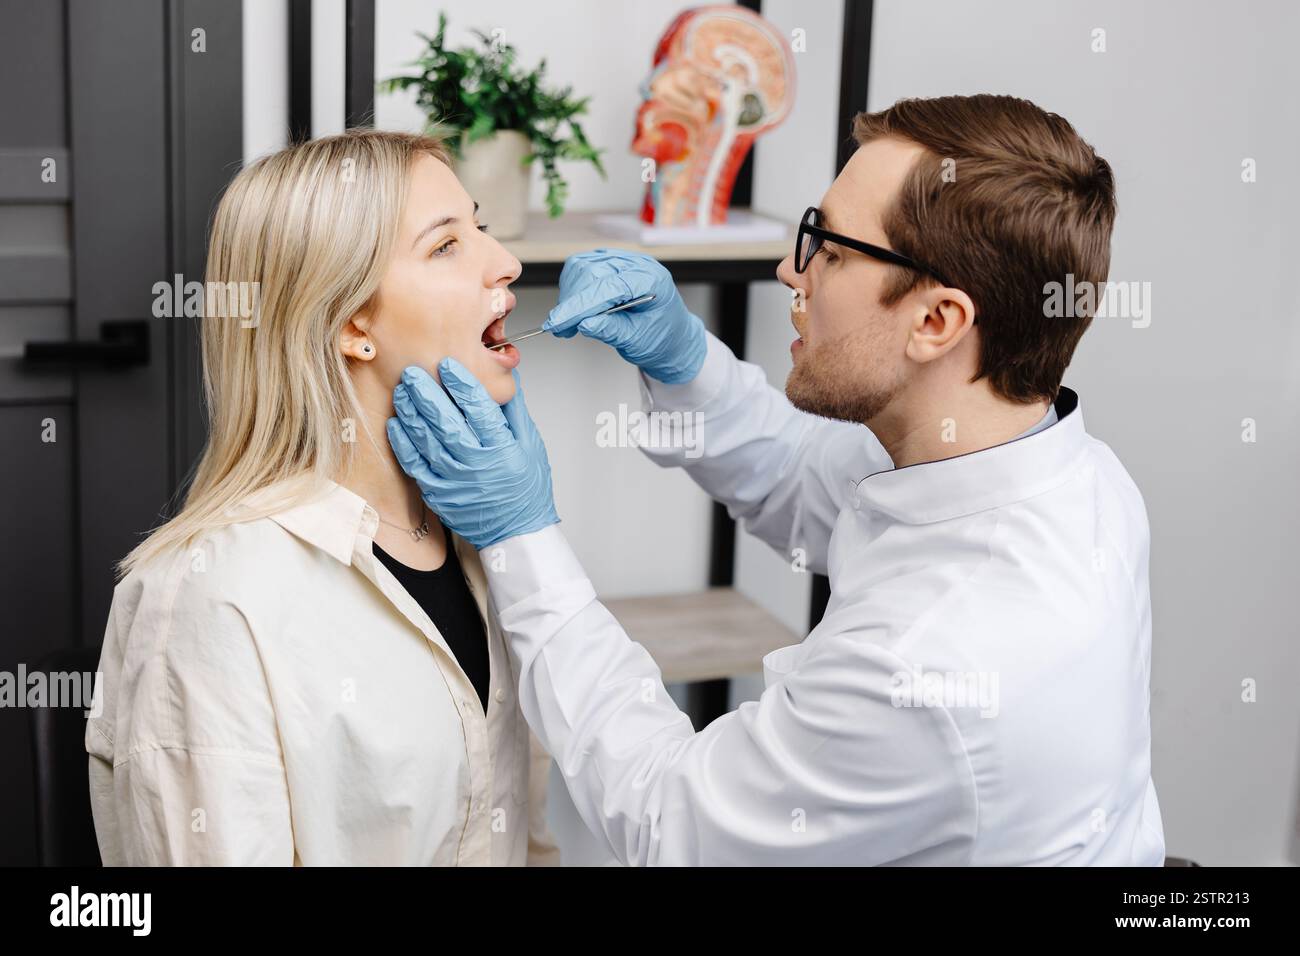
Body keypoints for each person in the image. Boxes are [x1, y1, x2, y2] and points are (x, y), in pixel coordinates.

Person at [388, 95, 1166, 865]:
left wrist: (519, 534)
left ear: (936, 322)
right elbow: (804, 477)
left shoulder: (932, 668)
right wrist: (680, 357)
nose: (791, 268)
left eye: (829, 249)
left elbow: (671, 821)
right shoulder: (1053, 465)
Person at [87, 129, 559, 866]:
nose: (506, 262)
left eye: (483, 228)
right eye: (446, 246)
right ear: (351, 325)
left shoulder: (482, 540)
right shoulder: (210, 600)